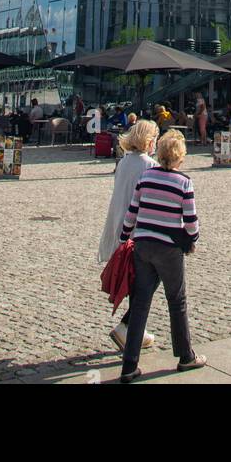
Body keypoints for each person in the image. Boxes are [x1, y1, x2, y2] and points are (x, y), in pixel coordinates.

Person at [118, 129, 206, 383]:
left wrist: (125, 239)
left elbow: (131, 214)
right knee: (176, 301)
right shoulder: (183, 182)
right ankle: (186, 356)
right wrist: (191, 241)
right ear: (180, 156)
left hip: (143, 245)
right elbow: (191, 223)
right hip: (169, 249)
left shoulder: (146, 177)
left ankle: (129, 366)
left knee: (140, 304)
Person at [98, 118, 160, 353]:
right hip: (138, 230)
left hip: (119, 225)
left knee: (139, 281)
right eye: (154, 138)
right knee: (147, 280)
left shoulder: (124, 162)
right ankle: (128, 327)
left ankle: (136, 329)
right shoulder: (150, 166)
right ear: (148, 140)